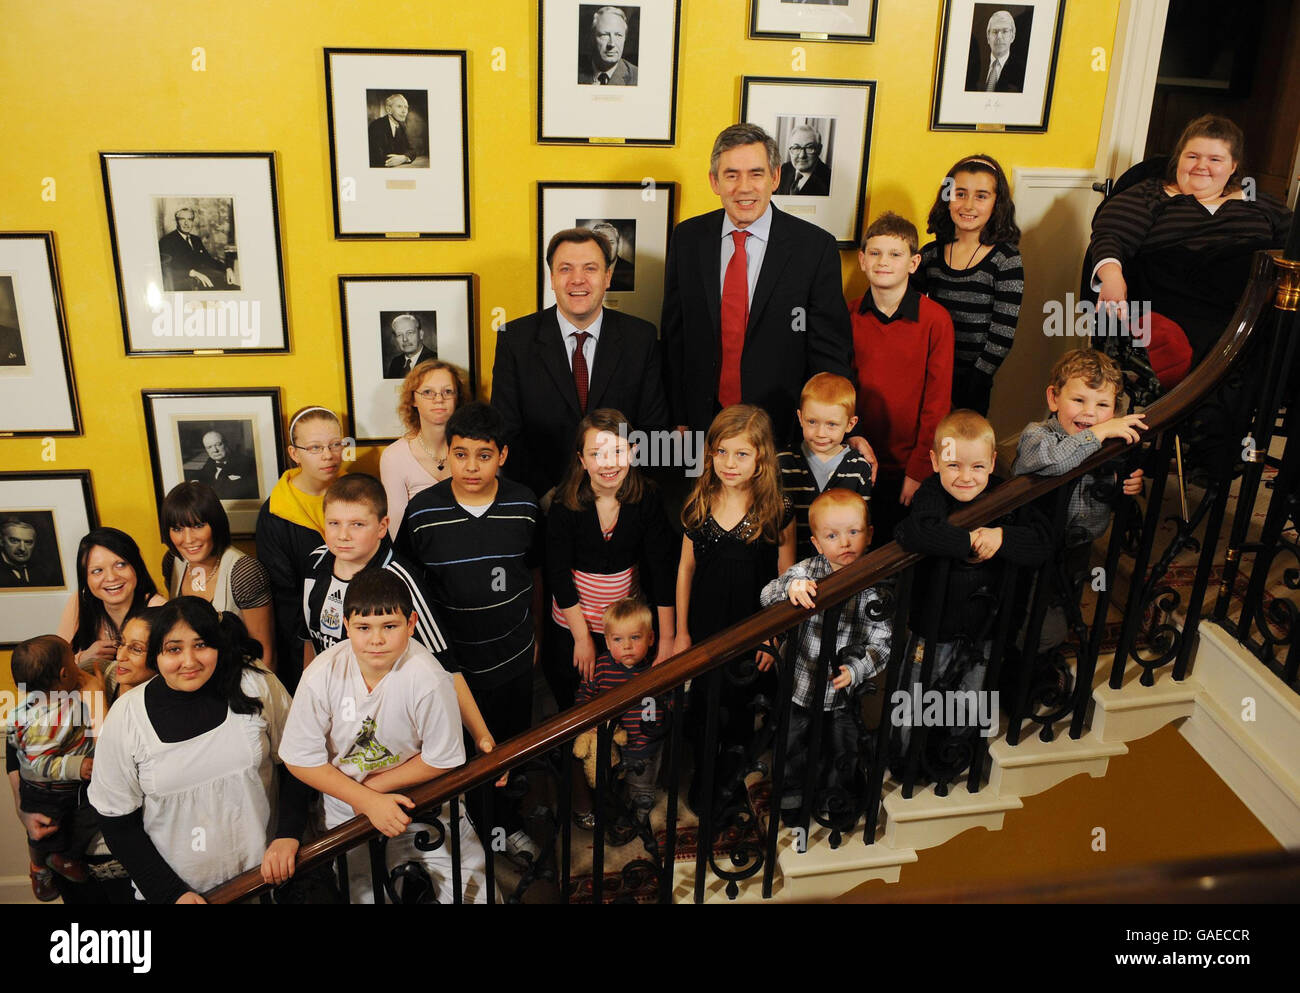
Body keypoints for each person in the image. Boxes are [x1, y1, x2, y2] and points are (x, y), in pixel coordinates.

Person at [281, 568, 492, 903]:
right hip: (347, 809)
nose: (376, 640)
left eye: (389, 626)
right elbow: (299, 759)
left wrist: (373, 789)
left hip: (425, 799)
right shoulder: (320, 674)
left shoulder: (429, 678)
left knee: (471, 889)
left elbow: (443, 759)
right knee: (362, 891)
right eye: (363, 628)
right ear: (346, 626)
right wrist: (364, 801)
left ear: (411, 623)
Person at [397, 402, 543, 868]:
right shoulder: (423, 513)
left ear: (502, 455)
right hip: (450, 669)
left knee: (508, 751)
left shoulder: (524, 504)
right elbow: (407, 585)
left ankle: (506, 824)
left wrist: (535, 632)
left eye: (484, 455)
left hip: (513, 658)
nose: (471, 466)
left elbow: (535, 574)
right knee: (455, 758)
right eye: (461, 455)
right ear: (447, 456)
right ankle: (465, 838)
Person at [89, 598, 307, 903]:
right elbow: (117, 821)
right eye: (174, 649)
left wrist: (288, 834)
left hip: (264, 881)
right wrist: (171, 894)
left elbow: (299, 761)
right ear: (156, 654)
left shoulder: (254, 683)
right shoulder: (126, 716)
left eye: (201, 645)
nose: (189, 661)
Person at [661, 123, 858, 451]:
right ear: (715, 181)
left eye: (755, 173)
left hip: (782, 424)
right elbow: (674, 335)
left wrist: (829, 431)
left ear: (775, 177)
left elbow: (830, 350)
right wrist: (678, 415)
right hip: (700, 424)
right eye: (731, 175)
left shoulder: (814, 248)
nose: (744, 188)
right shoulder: (687, 238)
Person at [1088, 114, 1293, 397]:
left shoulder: (1258, 201)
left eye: (1215, 160)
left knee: (1265, 267)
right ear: (1178, 159)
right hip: (1177, 284)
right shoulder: (1150, 194)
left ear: (1233, 166)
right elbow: (1111, 235)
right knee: (1253, 265)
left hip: (1249, 295)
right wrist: (1111, 277)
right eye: (1193, 156)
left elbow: (1292, 245)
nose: (1201, 167)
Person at [895, 411, 1053, 763]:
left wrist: (1001, 537)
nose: (966, 477)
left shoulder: (1006, 494)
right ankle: (903, 760)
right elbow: (916, 530)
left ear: (993, 463)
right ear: (935, 461)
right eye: (954, 466)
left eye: (978, 467)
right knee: (916, 696)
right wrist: (968, 542)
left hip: (986, 633)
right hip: (933, 630)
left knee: (970, 699)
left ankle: (953, 760)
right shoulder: (932, 492)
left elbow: (1042, 543)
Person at [303, 473, 494, 755]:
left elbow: (445, 666)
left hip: (394, 719)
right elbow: (311, 642)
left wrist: (481, 735)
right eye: (334, 523)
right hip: (337, 714)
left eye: (357, 524)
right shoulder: (316, 563)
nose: (343, 535)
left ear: (382, 527)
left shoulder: (402, 582)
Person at [674, 405, 794, 814]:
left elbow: (786, 579)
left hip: (752, 632)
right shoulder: (699, 503)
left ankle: (731, 784)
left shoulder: (777, 512)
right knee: (706, 710)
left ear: (761, 457)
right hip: (706, 631)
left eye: (741, 454)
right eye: (720, 452)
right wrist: (680, 633)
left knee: (741, 715)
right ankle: (704, 784)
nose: (728, 463)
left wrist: (772, 634)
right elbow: (686, 569)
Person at [492, 227, 669, 502]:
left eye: (590, 268)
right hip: (544, 503)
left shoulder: (641, 338)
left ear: (607, 277)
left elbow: (653, 431)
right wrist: (547, 494)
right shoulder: (515, 340)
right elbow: (506, 432)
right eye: (565, 269)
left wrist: (617, 490)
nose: (578, 280)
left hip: (623, 500)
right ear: (552, 278)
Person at [759, 489, 890, 822]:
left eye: (853, 532)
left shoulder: (874, 583)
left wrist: (858, 668)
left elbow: (883, 640)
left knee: (841, 749)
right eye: (832, 536)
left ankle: (836, 798)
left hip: (842, 693)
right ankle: (790, 798)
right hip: (801, 686)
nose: (844, 542)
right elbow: (767, 595)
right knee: (791, 745)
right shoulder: (807, 573)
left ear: (869, 534)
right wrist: (791, 588)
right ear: (817, 543)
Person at [1011, 350, 1147, 652]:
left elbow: (1112, 491)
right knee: (1025, 618)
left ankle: (1041, 659)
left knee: (1062, 610)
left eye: (1102, 405)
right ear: (1053, 398)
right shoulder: (1038, 436)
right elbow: (1055, 463)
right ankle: (1015, 665)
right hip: (1031, 548)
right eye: (1079, 400)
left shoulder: (1108, 445)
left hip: (1076, 550)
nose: (1089, 413)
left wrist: (1127, 486)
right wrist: (1097, 433)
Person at [545, 409, 677, 711]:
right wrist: (582, 637)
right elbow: (558, 575)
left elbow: (661, 569)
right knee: (576, 698)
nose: (608, 463)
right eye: (596, 453)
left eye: (617, 451)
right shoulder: (565, 504)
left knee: (625, 700)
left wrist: (667, 637)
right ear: (581, 460)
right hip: (573, 623)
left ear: (633, 451)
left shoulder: (648, 497)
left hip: (627, 624)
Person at [850, 212, 954, 544]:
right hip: (854, 456)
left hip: (907, 465)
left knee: (894, 548)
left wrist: (918, 469)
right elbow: (837, 387)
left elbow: (937, 403)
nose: (884, 262)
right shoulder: (847, 314)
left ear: (913, 263)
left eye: (895, 254)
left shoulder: (935, 320)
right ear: (862, 260)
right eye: (875, 253)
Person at [914, 155, 1024, 416]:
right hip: (928, 370)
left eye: (981, 196)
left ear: (997, 203)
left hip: (974, 379)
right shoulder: (930, 254)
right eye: (960, 194)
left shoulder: (1006, 260)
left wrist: (974, 380)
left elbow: (1002, 335)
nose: (969, 205)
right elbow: (911, 311)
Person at [255, 405, 345, 694]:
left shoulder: (356, 495)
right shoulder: (277, 513)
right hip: (303, 643)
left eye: (335, 445)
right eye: (315, 447)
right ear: (294, 453)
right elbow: (284, 595)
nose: (329, 455)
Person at [6, 636, 100, 900]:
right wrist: (76, 765)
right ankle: (59, 860)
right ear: (64, 673)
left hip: (37, 788)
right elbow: (39, 761)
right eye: (73, 661)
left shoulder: (23, 709)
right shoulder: (59, 716)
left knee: (41, 832)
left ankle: (39, 866)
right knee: (78, 818)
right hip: (55, 789)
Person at [570, 598, 668, 838]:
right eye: (618, 639)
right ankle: (618, 808)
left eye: (635, 638)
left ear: (651, 638)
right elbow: (584, 696)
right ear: (607, 641)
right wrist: (589, 722)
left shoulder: (655, 669)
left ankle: (637, 819)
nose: (627, 646)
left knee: (640, 787)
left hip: (645, 746)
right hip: (612, 744)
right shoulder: (602, 667)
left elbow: (670, 703)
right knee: (613, 784)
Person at [160, 481, 274, 667]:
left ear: (216, 525)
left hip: (239, 680)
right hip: (189, 674)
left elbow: (265, 652)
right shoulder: (173, 561)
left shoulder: (244, 572)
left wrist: (258, 694)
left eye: (197, 526)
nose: (188, 539)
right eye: (178, 529)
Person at [779, 373, 873, 562]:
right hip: (794, 569)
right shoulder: (784, 463)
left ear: (850, 424)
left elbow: (861, 529)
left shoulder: (859, 469)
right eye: (812, 422)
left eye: (831, 424)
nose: (821, 433)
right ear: (800, 417)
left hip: (840, 569)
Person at [56, 527, 166, 668]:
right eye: (97, 571)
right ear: (85, 578)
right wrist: (82, 658)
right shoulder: (79, 601)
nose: (111, 577)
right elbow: (56, 663)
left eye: (120, 565)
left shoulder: (159, 609)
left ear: (136, 566)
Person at [381, 360, 465, 539]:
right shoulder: (394, 457)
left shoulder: (475, 450)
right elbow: (397, 533)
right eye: (428, 392)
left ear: (458, 398)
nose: (439, 399)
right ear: (413, 399)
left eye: (447, 391)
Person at [158, 207, 234, 292]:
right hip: (183, 287)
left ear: (193, 222)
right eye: (182, 219)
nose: (186, 223)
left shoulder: (196, 240)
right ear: (176, 221)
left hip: (202, 283)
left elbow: (208, 260)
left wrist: (227, 268)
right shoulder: (167, 241)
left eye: (190, 219)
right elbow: (166, 270)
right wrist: (192, 273)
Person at [965, 9, 1026, 93]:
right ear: (988, 37)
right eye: (995, 31)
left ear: (1012, 36)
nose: (999, 37)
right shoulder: (973, 64)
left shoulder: (1022, 73)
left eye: (1005, 31)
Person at [190, 430, 258, 499]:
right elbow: (201, 473)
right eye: (209, 447)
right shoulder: (211, 461)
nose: (215, 450)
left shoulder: (247, 462)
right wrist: (195, 481)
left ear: (226, 444)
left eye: (218, 444)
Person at [578, 6, 638, 85]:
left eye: (618, 35)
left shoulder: (637, 77)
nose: (611, 44)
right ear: (592, 37)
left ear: (625, 38)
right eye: (604, 35)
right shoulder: (574, 72)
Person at [774, 124, 832, 196]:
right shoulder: (784, 170)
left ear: (819, 149)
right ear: (790, 150)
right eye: (796, 148)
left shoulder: (829, 180)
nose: (802, 155)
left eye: (809, 148)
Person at [0, 518, 59, 587]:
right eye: (14, 541)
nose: (22, 548)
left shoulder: (45, 572)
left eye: (28, 542)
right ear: (1, 541)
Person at [587, 220, 636, 292]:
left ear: (618, 246)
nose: (607, 248)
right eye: (601, 242)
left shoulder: (631, 270)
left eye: (611, 242)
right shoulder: (583, 270)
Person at [368, 93, 414, 168]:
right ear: (389, 110)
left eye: (406, 107)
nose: (404, 111)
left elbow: (412, 151)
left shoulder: (402, 127)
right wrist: (401, 157)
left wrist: (403, 158)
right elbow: (377, 158)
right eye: (399, 106)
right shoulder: (376, 126)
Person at [383, 313, 433, 379]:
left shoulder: (435, 361)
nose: (405, 339)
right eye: (399, 335)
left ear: (421, 334)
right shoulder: (395, 362)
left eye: (410, 333)